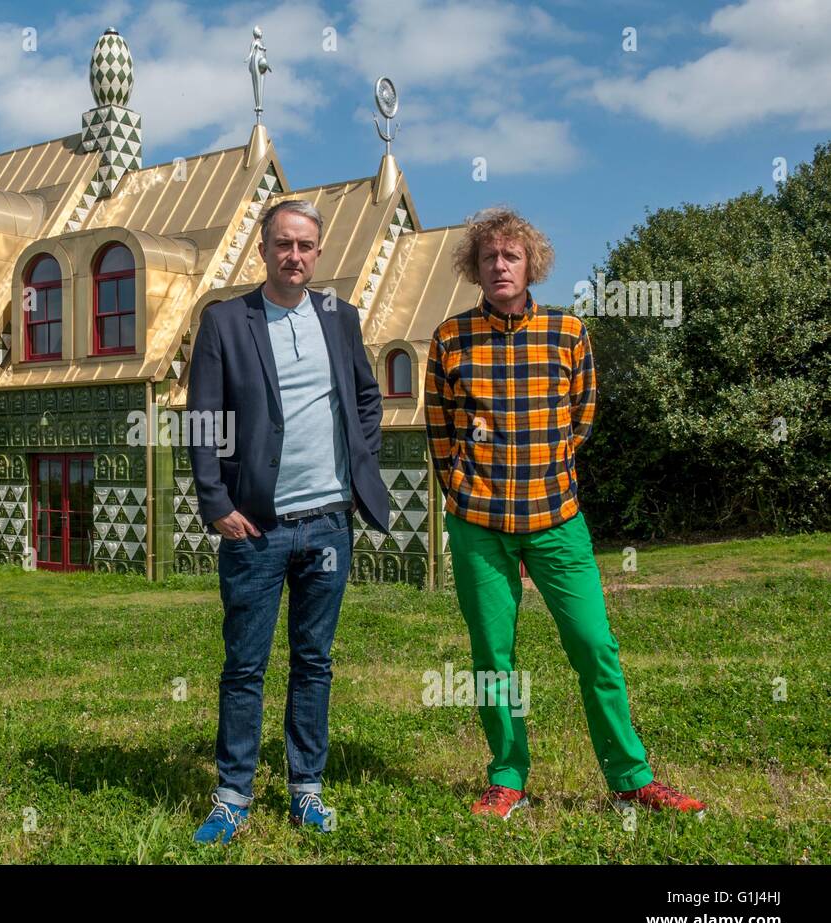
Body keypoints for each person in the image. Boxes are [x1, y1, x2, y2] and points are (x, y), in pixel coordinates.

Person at [424, 207, 706, 819]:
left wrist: (540, 475)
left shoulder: (568, 332)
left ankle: (631, 778)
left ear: (532, 264)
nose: (500, 265)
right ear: (474, 267)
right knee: (493, 657)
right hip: (478, 526)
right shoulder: (448, 339)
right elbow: (441, 437)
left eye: (512, 255)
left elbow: (581, 419)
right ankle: (507, 779)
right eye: (489, 256)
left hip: (557, 519)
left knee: (594, 645)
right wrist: (469, 495)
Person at [186, 198, 390, 844]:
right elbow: (203, 418)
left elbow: (364, 393)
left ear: (319, 253)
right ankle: (232, 795)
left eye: (304, 246)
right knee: (244, 665)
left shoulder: (340, 317)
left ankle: (307, 789)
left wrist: (359, 466)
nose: (293, 256)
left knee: (314, 660)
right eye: (282, 244)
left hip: (328, 523)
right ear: (263, 249)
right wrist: (217, 503)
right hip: (257, 526)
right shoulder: (226, 322)